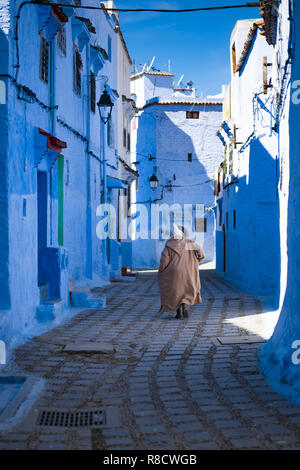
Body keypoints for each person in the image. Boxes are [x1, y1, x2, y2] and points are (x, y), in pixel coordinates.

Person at [158, 224, 205, 319]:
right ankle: (184, 305)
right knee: (186, 290)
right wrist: (197, 261)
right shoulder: (189, 243)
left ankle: (178, 312)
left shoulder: (169, 246)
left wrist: (161, 271)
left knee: (175, 291)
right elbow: (200, 251)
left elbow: (164, 261)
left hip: (173, 273)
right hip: (188, 272)